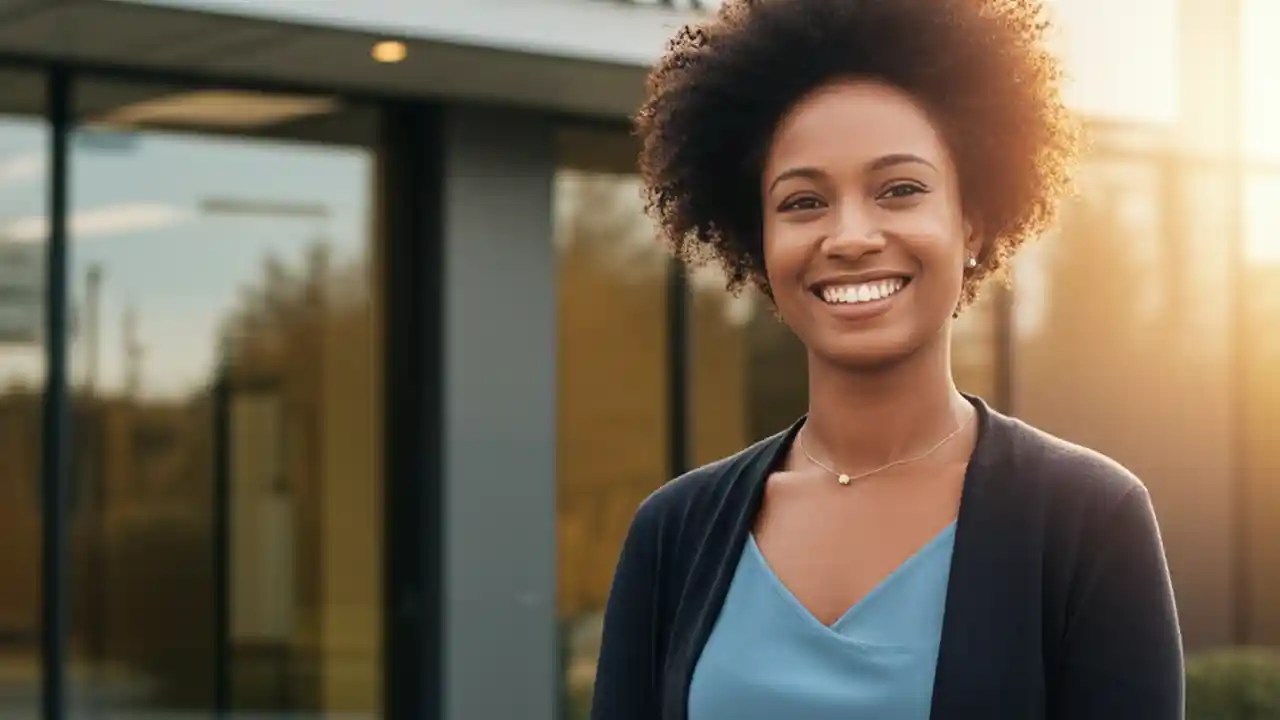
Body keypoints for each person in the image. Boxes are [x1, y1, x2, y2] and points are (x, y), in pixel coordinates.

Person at [590, 0, 1184, 718]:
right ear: (759, 244)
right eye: (803, 202)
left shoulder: (1087, 521)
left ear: (971, 221)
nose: (850, 235)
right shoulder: (674, 534)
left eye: (899, 190)